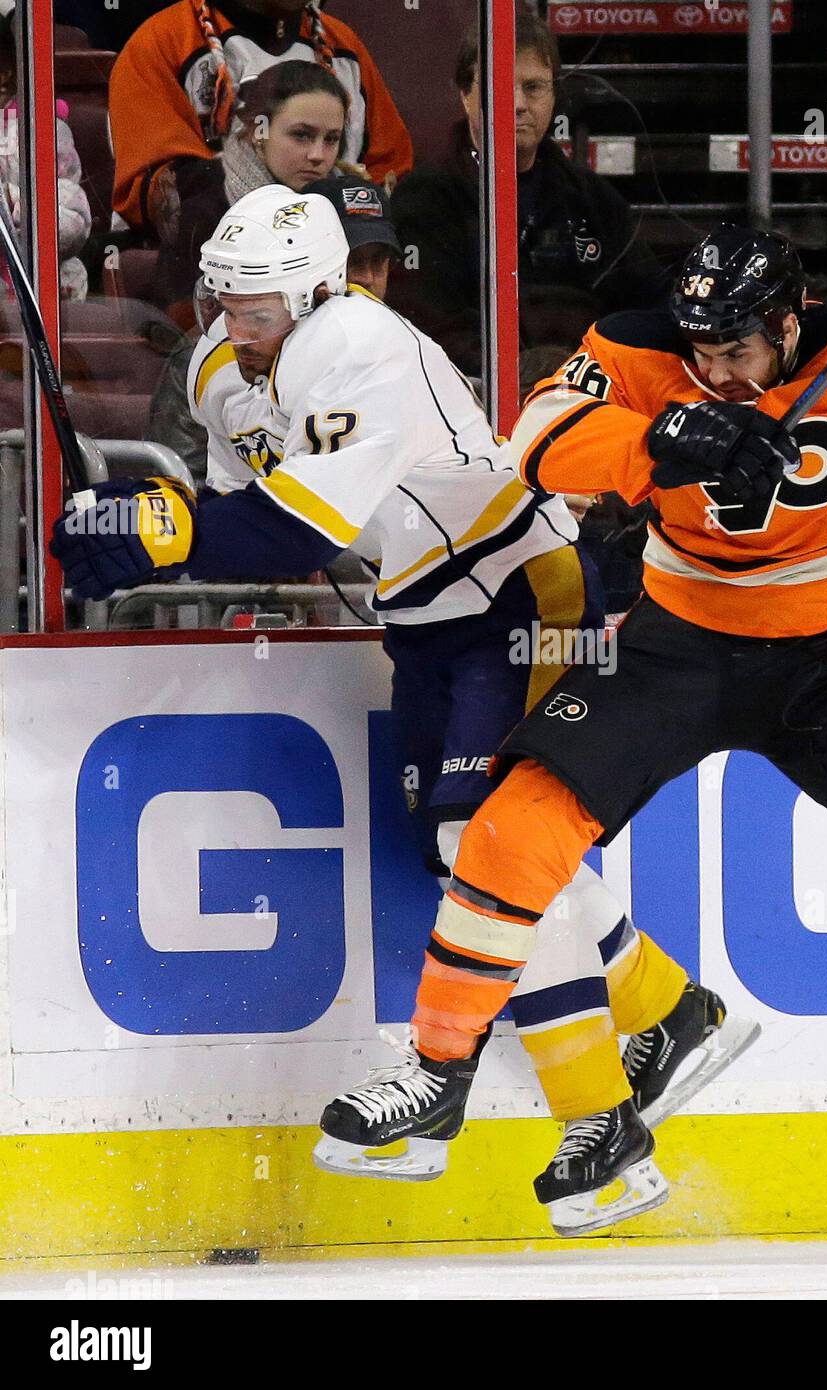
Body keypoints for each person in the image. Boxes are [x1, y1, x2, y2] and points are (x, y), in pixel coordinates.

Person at [314, 226, 827, 1217]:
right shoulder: (642, 347)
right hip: (679, 644)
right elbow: (535, 441)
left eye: (738, 350)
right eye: (701, 349)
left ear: (790, 323)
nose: (715, 370)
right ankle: (433, 1076)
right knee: (509, 829)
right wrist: (658, 441)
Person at [49, 184, 757, 1236]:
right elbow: (232, 508)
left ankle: (601, 1121)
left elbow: (290, 532)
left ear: (320, 292)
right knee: (452, 850)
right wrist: (122, 517)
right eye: (222, 302)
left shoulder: (359, 347)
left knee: (489, 845)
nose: (234, 329)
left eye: (257, 310)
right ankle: (667, 1015)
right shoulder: (219, 365)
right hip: (427, 612)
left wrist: (159, 535)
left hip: (522, 587)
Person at [387, 13, 665, 379]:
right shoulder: (424, 198)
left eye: (533, 87)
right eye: (499, 85)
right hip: (474, 396)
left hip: (591, 390)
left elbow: (652, 302)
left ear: (553, 95)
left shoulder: (594, 198)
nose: (518, 103)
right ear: (465, 95)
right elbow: (426, 327)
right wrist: (522, 375)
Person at [146, 172, 403, 484]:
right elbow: (207, 486)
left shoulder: (397, 362)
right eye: (350, 262)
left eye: (379, 262)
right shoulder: (214, 361)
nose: (368, 279)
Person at [108, 0, 412, 239]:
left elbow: (390, 173)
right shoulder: (161, 43)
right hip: (217, 266)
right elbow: (163, 196)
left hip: (342, 255)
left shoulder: (344, 47)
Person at [156, 59, 352, 319]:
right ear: (256, 131)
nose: (318, 155)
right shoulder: (204, 207)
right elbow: (187, 322)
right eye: (301, 135)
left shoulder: (352, 204)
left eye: (331, 139)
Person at [0, 7, 90, 300]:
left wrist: (12, 203)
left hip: (41, 294)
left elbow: (73, 223)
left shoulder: (40, 131)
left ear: (4, 75)